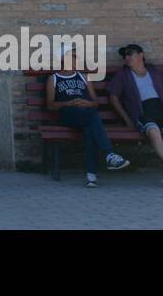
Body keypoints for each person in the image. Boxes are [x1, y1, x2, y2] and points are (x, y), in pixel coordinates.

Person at [44, 42, 129, 187]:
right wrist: (68, 103)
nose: (77, 59)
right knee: (92, 118)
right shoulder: (54, 79)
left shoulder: (84, 77)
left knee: (90, 130)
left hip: (86, 113)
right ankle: (109, 154)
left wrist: (88, 103)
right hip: (68, 115)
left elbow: (95, 102)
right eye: (74, 56)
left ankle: (91, 177)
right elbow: (50, 105)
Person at [107, 43, 163, 187]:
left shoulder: (154, 71)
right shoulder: (123, 74)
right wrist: (126, 118)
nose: (127, 57)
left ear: (141, 55)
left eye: (130, 53)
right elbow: (113, 96)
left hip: (162, 109)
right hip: (142, 111)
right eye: (124, 55)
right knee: (154, 132)